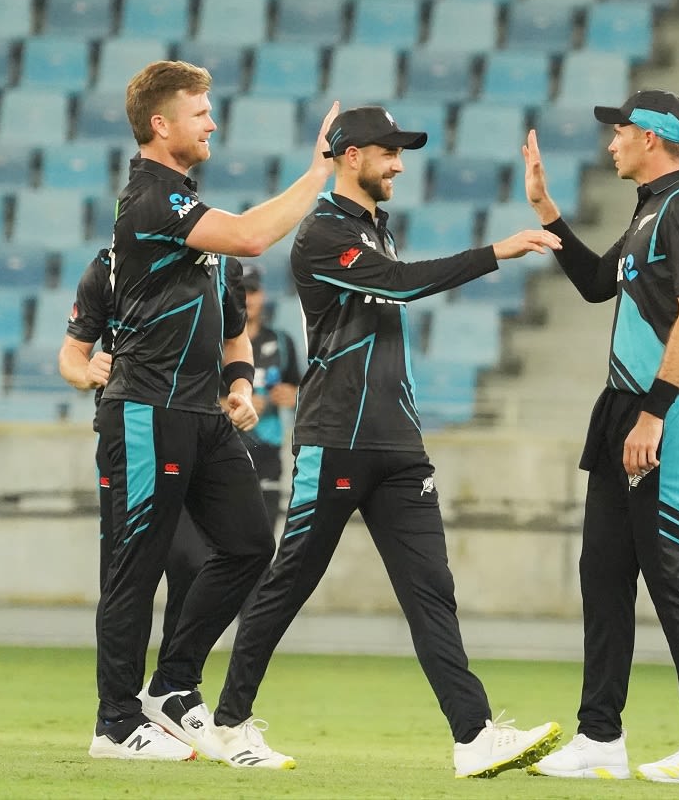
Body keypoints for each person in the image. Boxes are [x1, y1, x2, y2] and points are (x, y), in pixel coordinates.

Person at [211, 105, 564, 778]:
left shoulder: (377, 228)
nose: (400, 163)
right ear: (350, 157)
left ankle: (474, 735)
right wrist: (497, 251)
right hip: (334, 438)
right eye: (388, 152)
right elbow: (402, 284)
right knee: (288, 582)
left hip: (399, 444)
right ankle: (229, 722)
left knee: (432, 589)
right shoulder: (321, 233)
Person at [88, 58, 339, 765]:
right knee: (135, 567)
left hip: (201, 411)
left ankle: (171, 685)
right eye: (201, 113)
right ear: (161, 124)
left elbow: (229, 319)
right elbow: (254, 237)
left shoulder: (184, 207)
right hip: (144, 406)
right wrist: (316, 173)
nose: (213, 122)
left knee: (249, 544)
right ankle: (113, 723)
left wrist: (237, 379)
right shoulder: (150, 200)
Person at [520, 91, 679, 785]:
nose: (610, 142)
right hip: (627, 409)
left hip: (669, 413)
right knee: (604, 570)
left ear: (650, 137)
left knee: (670, 571)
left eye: (619, 131)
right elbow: (595, 283)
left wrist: (653, 411)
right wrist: (547, 213)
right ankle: (599, 736)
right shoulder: (651, 209)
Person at [57, 248, 244, 670]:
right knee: (125, 573)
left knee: (196, 562)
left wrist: (241, 386)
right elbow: (71, 352)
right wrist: (85, 371)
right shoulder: (112, 264)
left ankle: (171, 687)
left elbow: (235, 336)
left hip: (193, 434)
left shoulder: (222, 265)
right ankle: (119, 707)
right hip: (130, 435)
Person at [233, 262, 301, 519]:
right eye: (240, 291)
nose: (246, 299)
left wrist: (293, 397)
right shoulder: (217, 341)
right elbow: (199, 396)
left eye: (251, 291)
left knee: (264, 535)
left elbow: (301, 390)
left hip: (268, 449)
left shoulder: (282, 342)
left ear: (262, 295)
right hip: (226, 448)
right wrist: (235, 403)